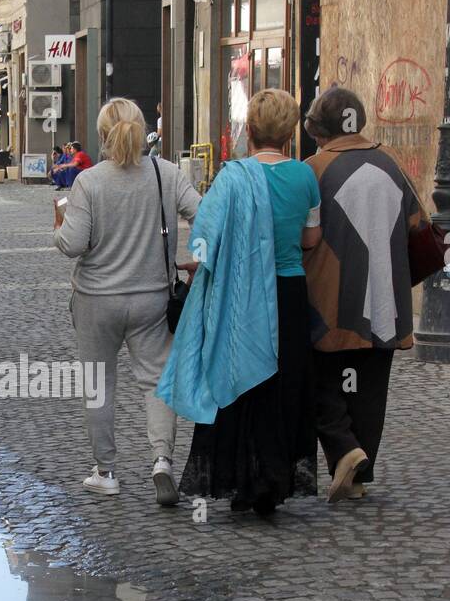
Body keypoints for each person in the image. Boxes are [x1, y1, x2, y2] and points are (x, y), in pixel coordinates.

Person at [158, 89, 322, 517]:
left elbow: (204, 243)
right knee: (282, 387)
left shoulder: (232, 178)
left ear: (249, 130)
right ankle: (272, 480)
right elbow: (312, 239)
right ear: (289, 133)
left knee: (240, 385)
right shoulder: (305, 178)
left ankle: (239, 481)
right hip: (288, 292)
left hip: (242, 294)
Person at [54, 97, 201, 506]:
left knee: (99, 385)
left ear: (102, 135)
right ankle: (161, 462)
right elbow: (203, 214)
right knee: (157, 382)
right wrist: (200, 259)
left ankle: (105, 472)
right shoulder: (165, 173)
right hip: (153, 297)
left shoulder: (89, 182)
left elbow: (73, 244)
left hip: (96, 299)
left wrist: (58, 224)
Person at [303, 86, 427, 502]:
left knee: (320, 381)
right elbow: (420, 229)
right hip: (385, 302)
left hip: (330, 300)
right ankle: (357, 475)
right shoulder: (392, 165)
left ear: (320, 129)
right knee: (367, 389)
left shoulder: (314, 170)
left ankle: (344, 449)